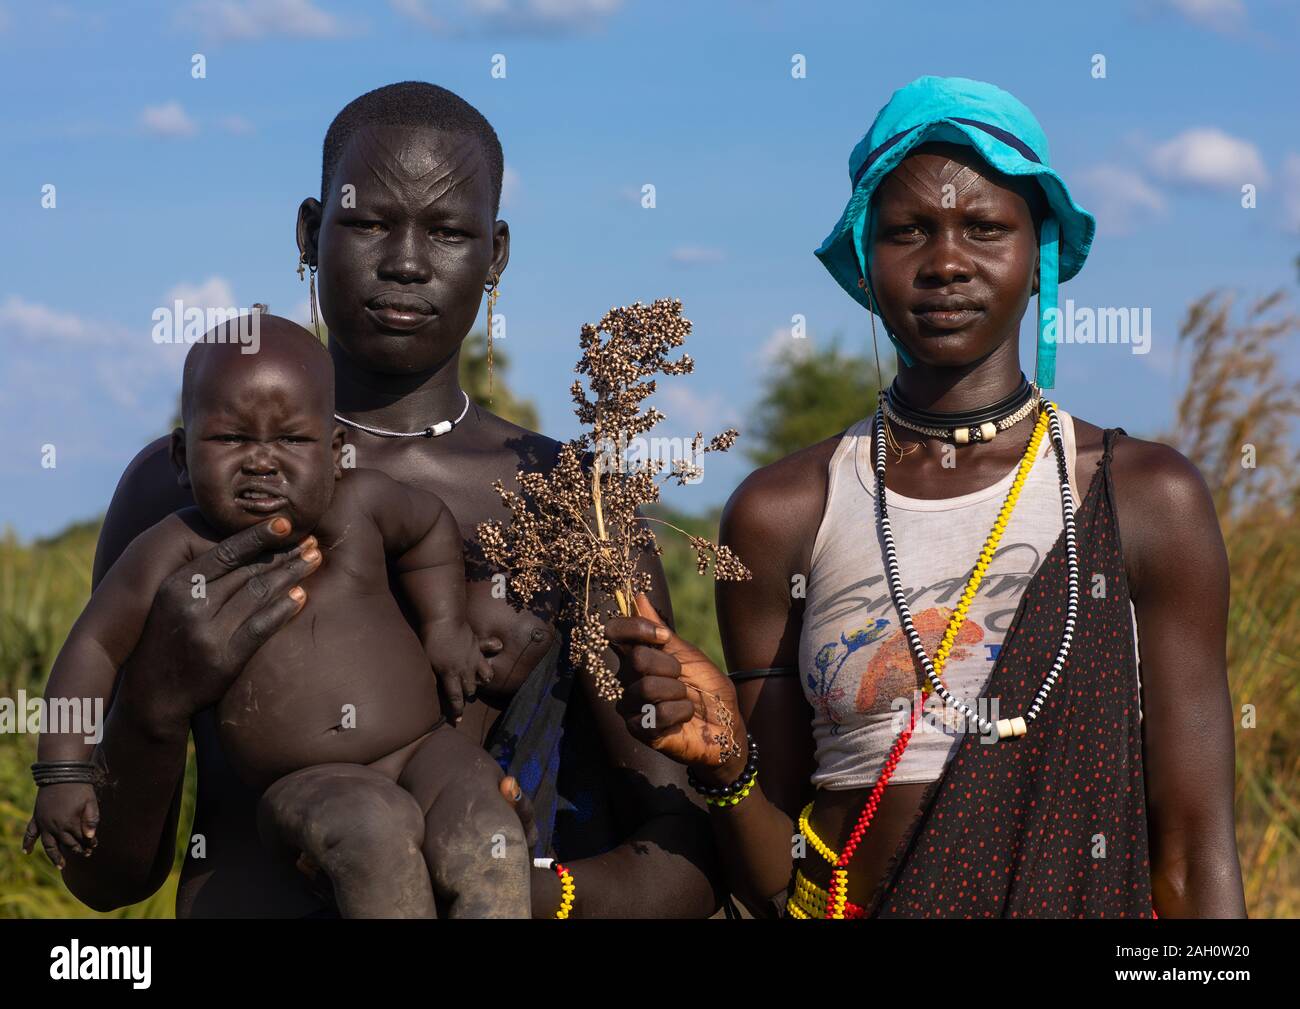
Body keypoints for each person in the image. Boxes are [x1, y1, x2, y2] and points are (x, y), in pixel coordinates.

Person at [56, 82, 721, 918]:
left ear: (497, 253)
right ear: (309, 231)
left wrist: (501, 883)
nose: (406, 262)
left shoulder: (568, 508)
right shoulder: (175, 485)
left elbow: (682, 857)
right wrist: (154, 702)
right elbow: (107, 879)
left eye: (447, 231)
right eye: (369, 222)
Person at [609, 76, 1247, 918]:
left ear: (1040, 251)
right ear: (865, 266)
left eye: (985, 227)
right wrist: (727, 767)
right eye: (909, 230)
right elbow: (777, 882)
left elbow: (1196, 852)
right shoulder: (783, 513)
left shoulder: (1145, 498)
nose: (947, 261)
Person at [26, 317, 529, 917]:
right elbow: (93, 648)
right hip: (308, 781)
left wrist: (444, 627)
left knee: (489, 839)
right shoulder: (175, 549)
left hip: (425, 748)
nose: (262, 462)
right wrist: (62, 772)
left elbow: (429, 531)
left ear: (336, 453)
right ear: (183, 458)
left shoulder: (362, 505)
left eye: (292, 441)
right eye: (231, 439)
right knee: (374, 836)